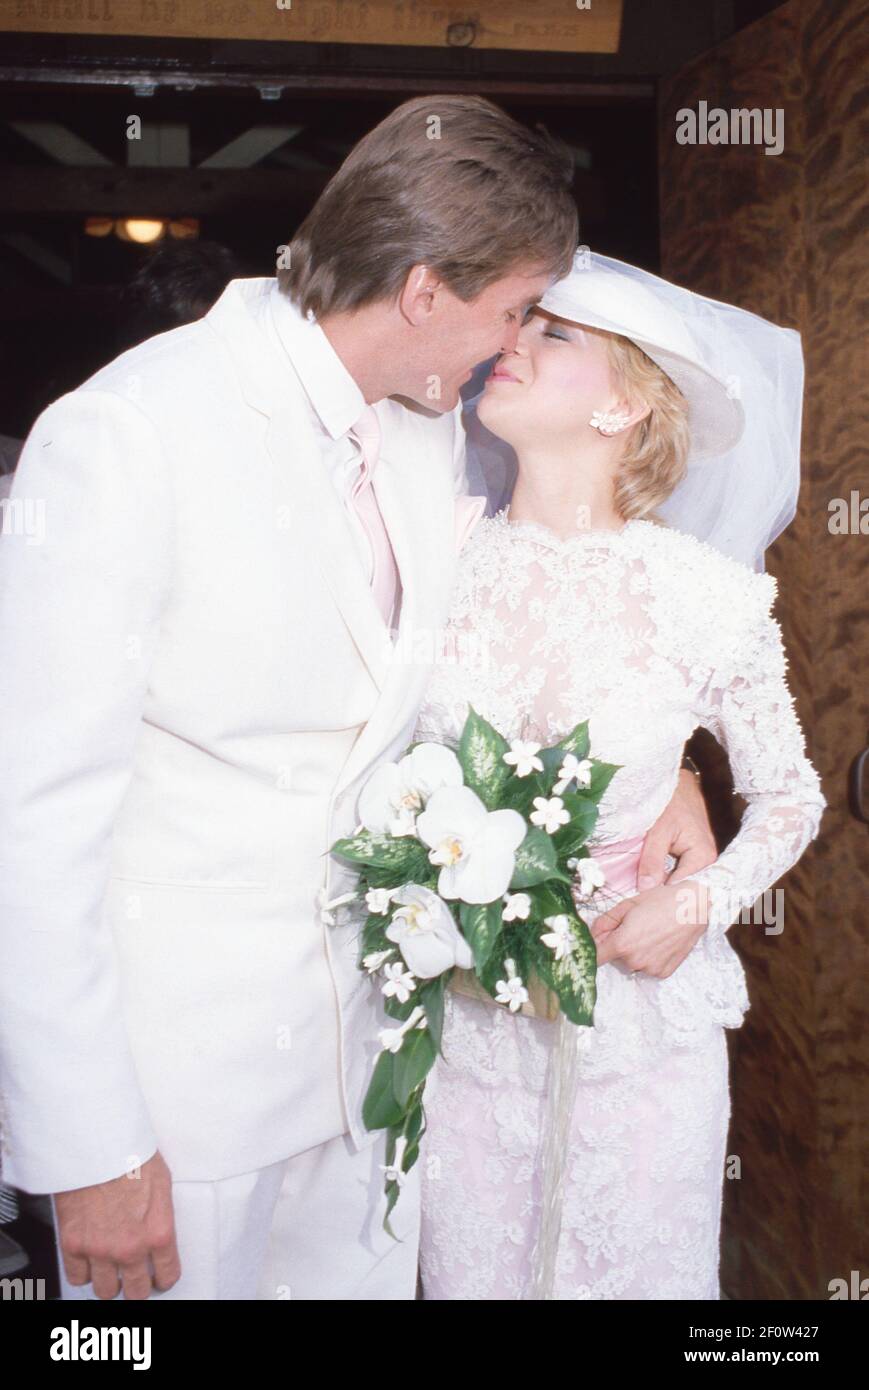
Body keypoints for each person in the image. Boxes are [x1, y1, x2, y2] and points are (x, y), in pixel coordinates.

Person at [0, 99, 716, 1302]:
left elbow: (564, 612)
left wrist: (673, 769)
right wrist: (88, 1148)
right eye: (508, 313)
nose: (512, 345)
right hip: (182, 1116)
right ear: (425, 293)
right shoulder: (131, 436)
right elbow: (31, 818)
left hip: (381, 1086)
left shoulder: (439, 432)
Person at [413, 251, 827, 1300]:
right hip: (466, 1025)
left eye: (553, 335)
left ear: (625, 407)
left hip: (639, 1032)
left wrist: (696, 901)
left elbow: (790, 795)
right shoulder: (428, 562)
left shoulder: (701, 595)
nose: (509, 343)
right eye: (519, 323)